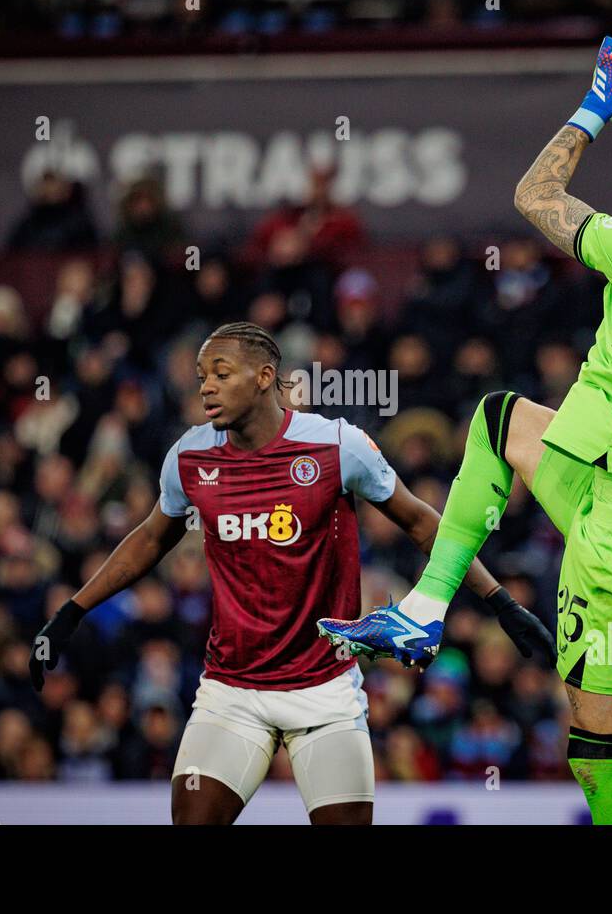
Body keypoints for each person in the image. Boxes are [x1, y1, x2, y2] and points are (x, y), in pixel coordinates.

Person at [319, 30, 612, 825]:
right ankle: (425, 609)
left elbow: (537, 196)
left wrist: (600, 104)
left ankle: (429, 608)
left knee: (598, 758)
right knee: (500, 420)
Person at [30, 321, 552, 825]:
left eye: (220, 372)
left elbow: (421, 523)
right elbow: (149, 539)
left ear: (263, 377)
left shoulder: (336, 445)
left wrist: (498, 600)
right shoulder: (188, 457)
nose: (206, 387)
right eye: (200, 376)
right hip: (230, 690)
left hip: (324, 689)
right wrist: (73, 611)